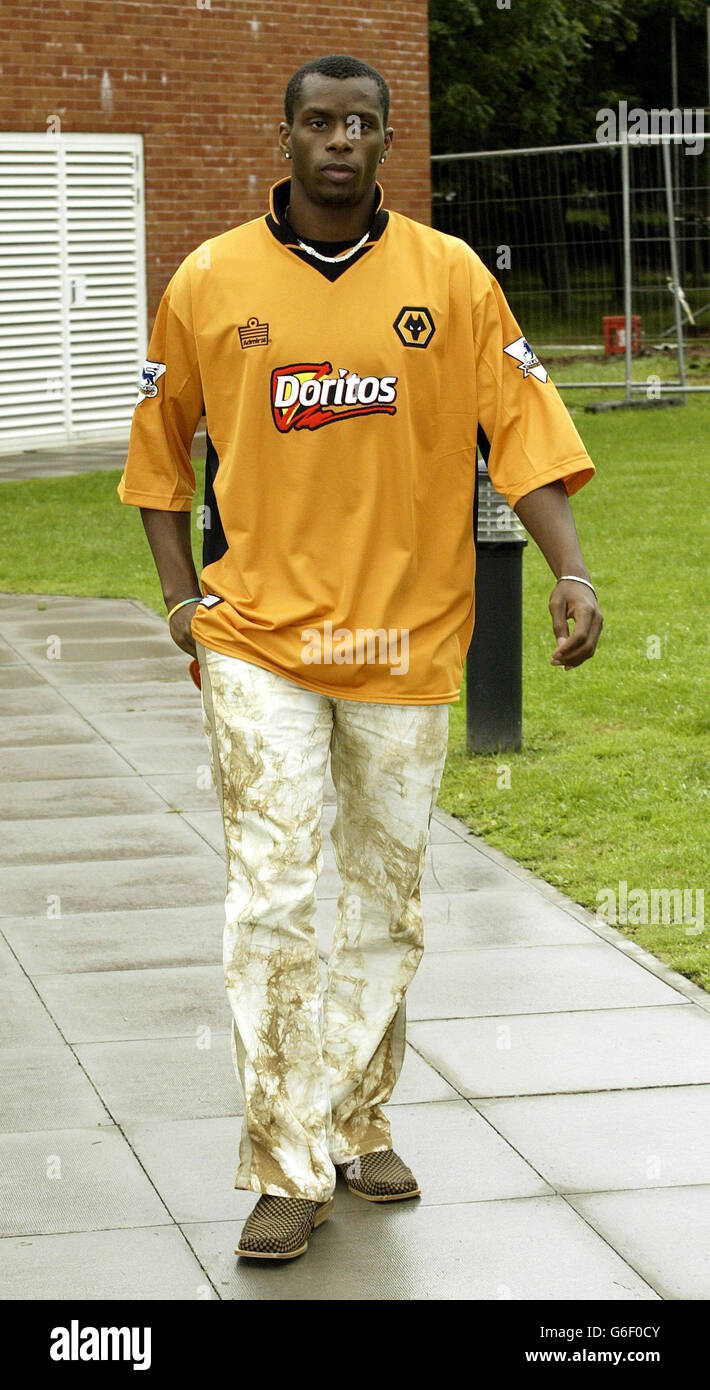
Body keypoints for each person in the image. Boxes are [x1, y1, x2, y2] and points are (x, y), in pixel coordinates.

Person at [117, 53, 603, 1261]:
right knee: (273, 899)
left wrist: (571, 570)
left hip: (402, 639)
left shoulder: (450, 278)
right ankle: (286, 1167)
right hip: (261, 643)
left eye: (362, 123)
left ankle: (357, 1114)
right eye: (318, 121)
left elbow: (523, 428)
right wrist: (181, 602)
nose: (340, 139)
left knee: (384, 903)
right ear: (282, 137)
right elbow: (156, 450)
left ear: (385, 142)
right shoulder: (209, 278)